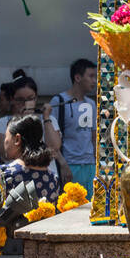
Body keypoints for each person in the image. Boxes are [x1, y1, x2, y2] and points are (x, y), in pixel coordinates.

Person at [0, 70, 62, 169]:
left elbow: (54, 149)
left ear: (36, 97)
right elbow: (6, 154)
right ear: (12, 99)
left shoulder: (49, 120)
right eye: (20, 100)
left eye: (30, 98)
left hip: (45, 175)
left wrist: (46, 118)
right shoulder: (3, 122)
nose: (25, 104)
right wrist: (23, 121)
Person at [49, 58, 98, 192]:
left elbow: (94, 136)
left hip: (90, 165)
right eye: (91, 76)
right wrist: (62, 164)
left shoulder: (91, 104)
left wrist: (96, 164)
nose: (94, 81)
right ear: (77, 77)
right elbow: (51, 137)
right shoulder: (59, 101)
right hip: (69, 165)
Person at [1, 115, 61, 204]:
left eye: (6, 136)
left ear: (17, 139)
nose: (4, 141)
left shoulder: (4, 174)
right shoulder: (53, 178)